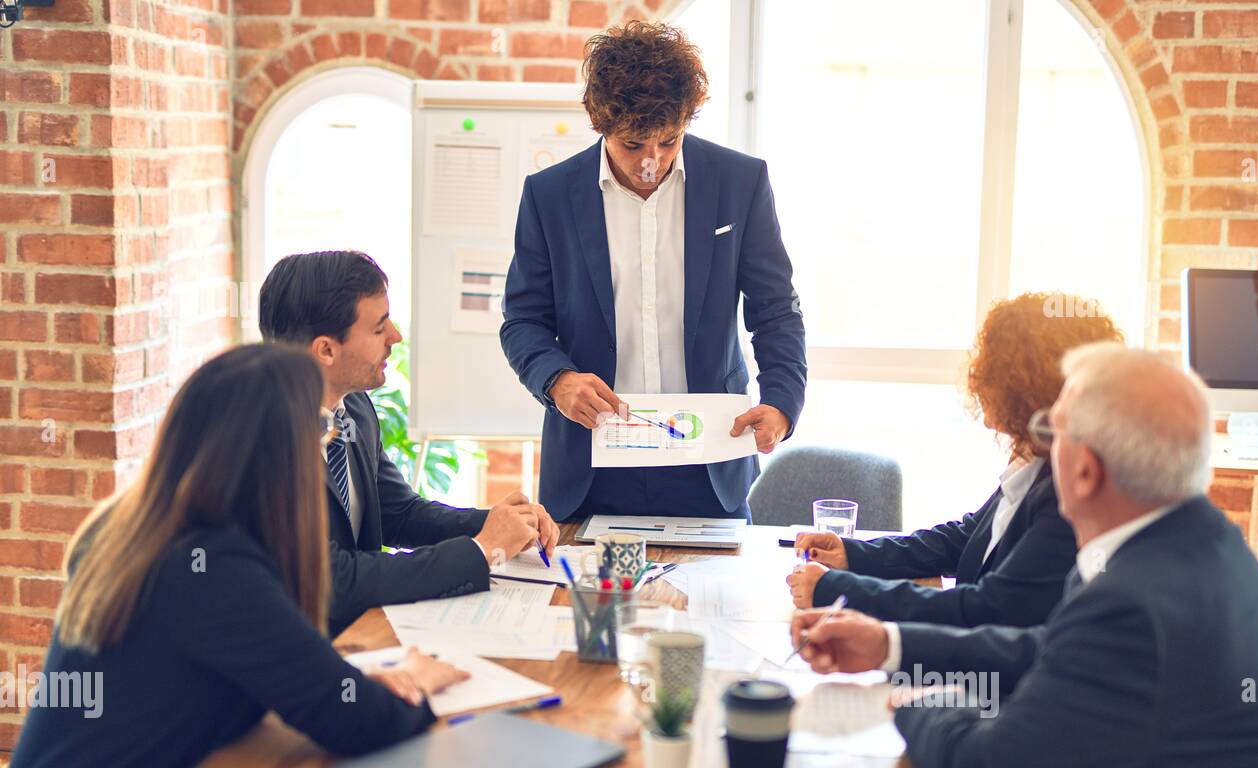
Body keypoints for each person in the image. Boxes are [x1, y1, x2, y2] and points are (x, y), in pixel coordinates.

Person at [790, 345, 1258, 768]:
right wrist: (890, 646)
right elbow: (1055, 649)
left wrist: (916, 699)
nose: (1037, 451)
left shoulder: (1134, 605)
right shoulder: (1207, 542)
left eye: (1053, 433)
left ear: (1084, 473)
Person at [0, 345, 471, 768]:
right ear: (277, 458)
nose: (328, 441)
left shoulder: (142, 526)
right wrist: (415, 682)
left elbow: (284, 678)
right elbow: (359, 722)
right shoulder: (210, 568)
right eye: (317, 434)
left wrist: (341, 686)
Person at [500, 21, 807, 522]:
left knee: (716, 603)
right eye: (633, 145)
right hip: (590, 465)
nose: (652, 162)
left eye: (668, 142)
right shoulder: (548, 195)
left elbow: (776, 310)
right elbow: (523, 320)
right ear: (600, 123)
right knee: (580, 604)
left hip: (710, 460)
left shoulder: (740, 182)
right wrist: (557, 380)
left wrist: (782, 402)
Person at [259, 251, 558, 635]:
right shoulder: (266, 441)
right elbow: (334, 581)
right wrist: (483, 551)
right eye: (379, 327)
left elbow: (398, 513)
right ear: (326, 350)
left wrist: (499, 523)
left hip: (359, 636)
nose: (396, 337)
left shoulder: (355, 408)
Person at [788, 293, 1122, 627]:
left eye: (990, 365)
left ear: (1020, 385)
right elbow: (964, 538)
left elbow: (986, 608)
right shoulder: (1035, 461)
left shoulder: (1067, 493)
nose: (978, 376)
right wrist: (854, 554)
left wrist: (839, 589)